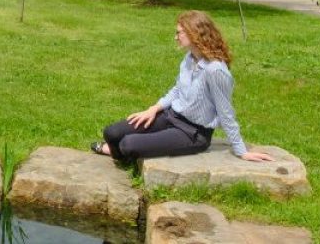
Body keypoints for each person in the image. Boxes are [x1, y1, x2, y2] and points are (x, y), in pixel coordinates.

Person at [91, 10, 274, 162]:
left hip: (192, 133)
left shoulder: (215, 70)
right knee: (112, 133)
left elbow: (225, 112)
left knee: (127, 144)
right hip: (171, 116)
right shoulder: (189, 57)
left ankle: (118, 152)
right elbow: (177, 89)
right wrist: (153, 109)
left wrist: (241, 150)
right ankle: (118, 151)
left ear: (195, 33)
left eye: (179, 33)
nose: (175, 37)